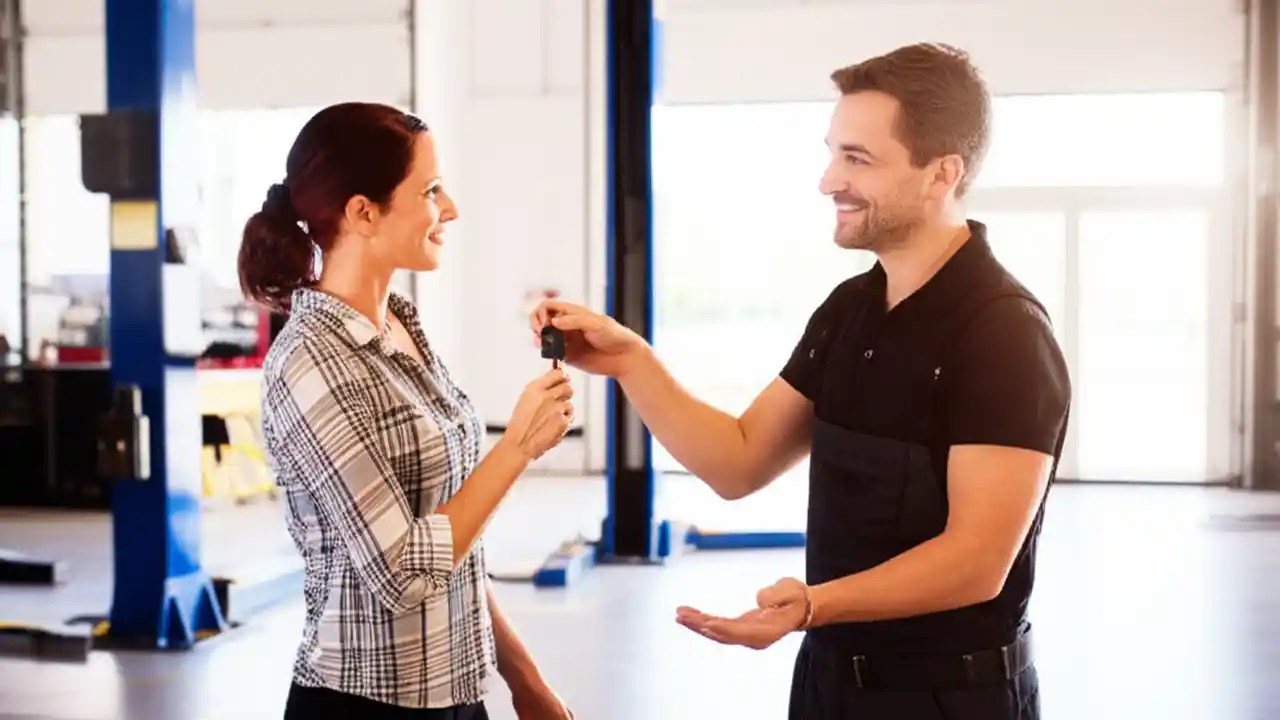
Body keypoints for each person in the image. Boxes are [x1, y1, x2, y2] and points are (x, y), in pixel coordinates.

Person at [531, 44, 1070, 719]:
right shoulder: (848, 310)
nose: (828, 180)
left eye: (858, 159)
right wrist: (631, 362)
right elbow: (739, 460)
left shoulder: (1005, 333)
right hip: (828, 683)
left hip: (951, 699)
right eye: (833, 153)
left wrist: (816, 604)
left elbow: (976, 561)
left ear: (942, 174)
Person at [240, 102, 576, 720]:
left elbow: (454, 543)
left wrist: (524, 680)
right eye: (430, 190)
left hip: (457, 692)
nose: (450, 209)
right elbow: (403, 571)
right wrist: (517, 447)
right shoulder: (310, 362)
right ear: (363, 212)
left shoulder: (399, 325)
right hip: (364, 705)